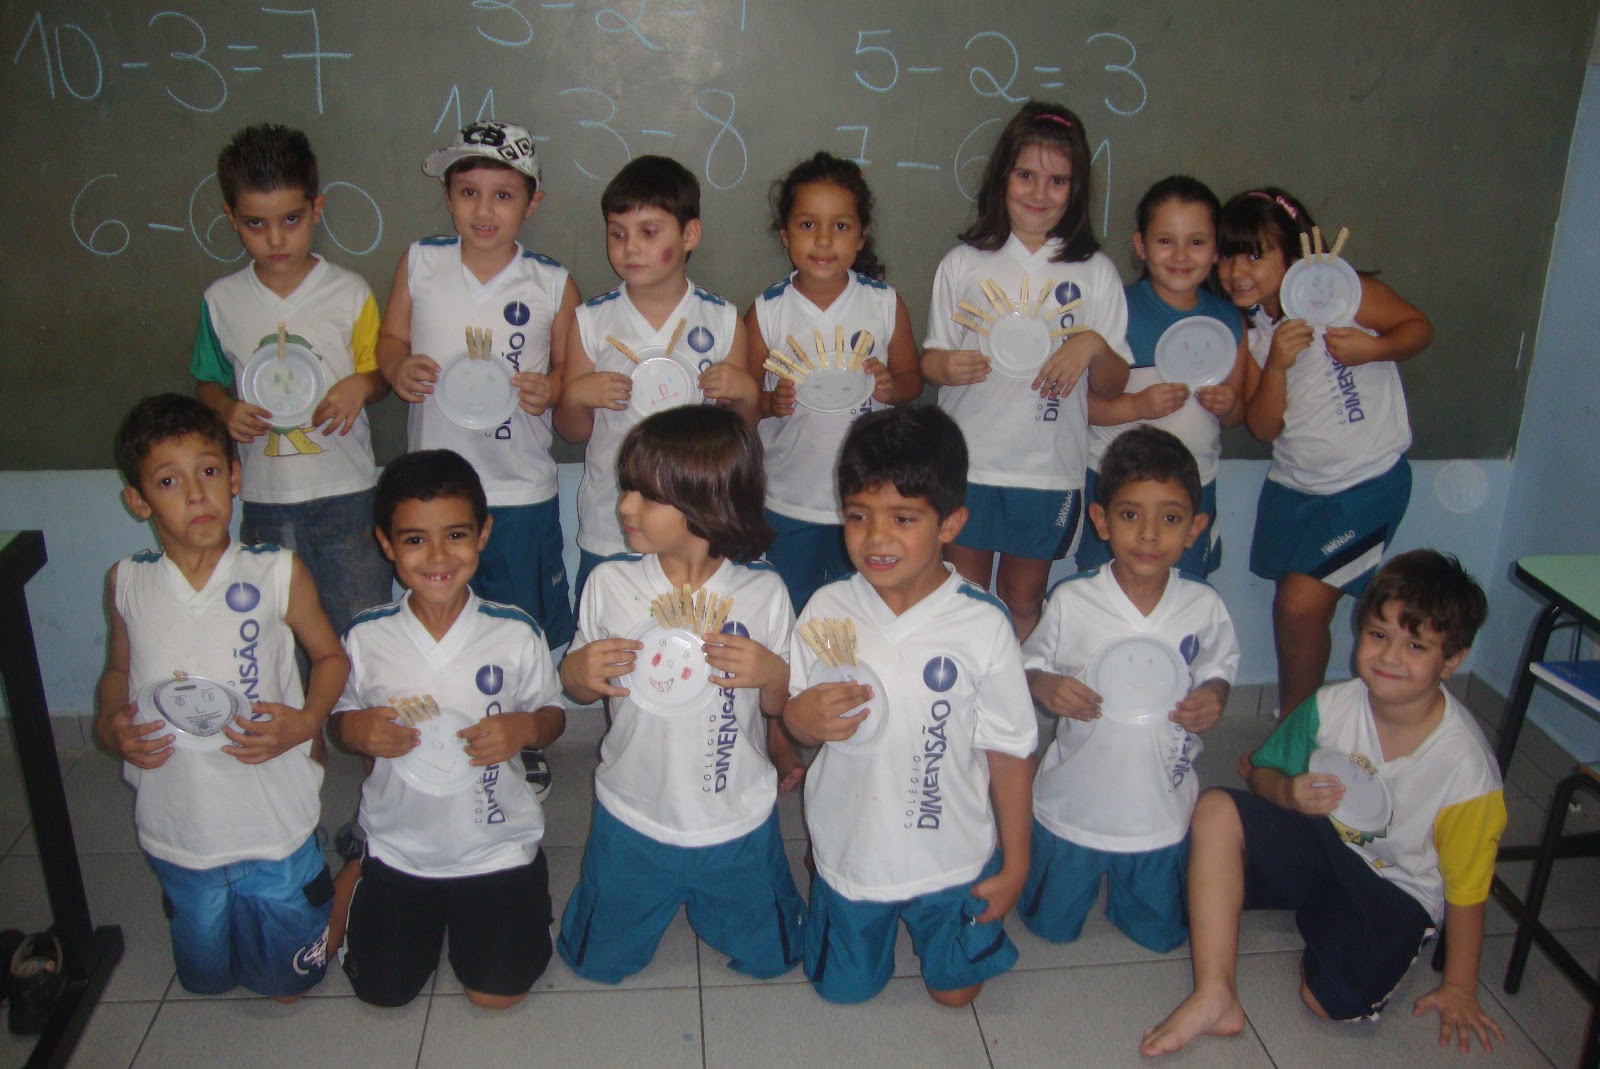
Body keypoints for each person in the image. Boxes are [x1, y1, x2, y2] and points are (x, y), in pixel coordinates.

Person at [1141, 550, 1505, 1057]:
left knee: (1328, 1002)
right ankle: (1215, 994)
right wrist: (1286, 792)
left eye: (1416, 645)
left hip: (1395, 887)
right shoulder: (1331, 705)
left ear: (1452, 660)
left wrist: (1461, 988)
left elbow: (1468, 892)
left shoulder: (1467, 770)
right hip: (1322, 840)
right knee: (1215, 809)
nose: (1390, 658)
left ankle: (1336, 923)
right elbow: (1263, 773)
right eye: (1379, 636)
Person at [96, 393, 348, 1000]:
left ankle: (351, 873)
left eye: (209, 471)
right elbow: (116, 671)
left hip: (272, 817)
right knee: (204, 981)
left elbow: (332, 658)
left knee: (287, 983)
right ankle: (207, 897)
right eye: (167, 480)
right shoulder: (127, 581)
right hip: (181, 822)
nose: (195, 494)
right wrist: (110, 726)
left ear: (235, 476)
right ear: (138, 500)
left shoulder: (276, 571)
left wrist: (308, 722)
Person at [783, 406, 1037, 1007]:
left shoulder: (981, 623)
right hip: (854, 850)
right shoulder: (825, 609)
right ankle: (833, 890)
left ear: (950, 523)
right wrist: (801, 720)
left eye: (903, 518)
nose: (876, 539)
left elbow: (1010, 749)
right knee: (844, 992)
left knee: (957, 995)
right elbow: (795, 715)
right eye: (857, 517)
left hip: (951, 854)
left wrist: (1017, 864)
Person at [556, 406, 804, 984]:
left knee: (776, 959)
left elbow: (780, 707)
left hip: (735, 814)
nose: (625, 506)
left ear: (706, 502)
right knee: (596, 964)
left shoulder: (761, 592)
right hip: (634, 811)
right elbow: (578, 687)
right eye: (626, 487)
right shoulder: (610, 584)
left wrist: (771, 673)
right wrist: (576, 670)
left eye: (646, 495)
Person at [377, 119, 580, 792]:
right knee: (439, 610)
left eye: (502, 195)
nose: (483, 210)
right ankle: (444, 721)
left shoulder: (551, 282)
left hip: (518, 487)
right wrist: (399, 369)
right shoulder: (421, 262)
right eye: (467, 192)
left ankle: (520, 730)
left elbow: (571, 382)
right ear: (448, 197)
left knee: (517, 621)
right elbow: (390, 342)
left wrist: (549, 389)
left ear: (532, 202)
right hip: (436, 488)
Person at [329, 449, 565, 1009]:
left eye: (455, 535)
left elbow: (552, 716)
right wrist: (356, 731)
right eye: (413, 540)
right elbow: (338, 723)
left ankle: (518, 892)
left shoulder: (513, 632)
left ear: (483, 534)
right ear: (385, 544)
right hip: (400, 845)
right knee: (383, 993)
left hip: (494, 844)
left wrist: (525, 728)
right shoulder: (368, 637)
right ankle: (358, 868)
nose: (437, 556)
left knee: (496, 996)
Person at [1018, 426, 1239, 953]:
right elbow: (1029, 663)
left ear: (1195, 528)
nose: (1147, 535)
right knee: (1048, 926)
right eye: (1129, 514)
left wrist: (1214, 695)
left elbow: (1220, 666)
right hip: (1076, 800)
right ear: (1101, 520)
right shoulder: (1073, 600)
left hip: (1159, 804)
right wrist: (1046, 685)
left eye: (1170, 518)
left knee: (1160, 933)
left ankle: (1143, 890)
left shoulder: (1203, 605)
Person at [921, 100, 1131, 642]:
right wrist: (946, 365)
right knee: (965, 599)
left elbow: (1113, 384)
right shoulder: (963, 263)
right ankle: (965, 716)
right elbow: (930, 359)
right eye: (1026, 175)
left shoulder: (1094, 273)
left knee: (1022, 598)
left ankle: (1010, 713)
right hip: (971, 464)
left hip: (1046, 469)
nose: (1039, 193)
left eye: (1057, 180)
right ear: (1002, 178)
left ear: (1077, 189)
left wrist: (1089, 345)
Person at [1219, 187, 1433, 719]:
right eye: (1227, 255)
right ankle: (1304, 726)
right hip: (1295, 484)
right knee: (1293, 612)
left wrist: (1374, 347)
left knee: (1298, 607)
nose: (1237, 271)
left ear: (1292, 254)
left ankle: (1298, 734)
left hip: (1366, 481)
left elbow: (1418, 328)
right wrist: (1276, 367)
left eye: (1255, 254)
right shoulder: (1249, 328)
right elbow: (1264, 427)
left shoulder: (1345, 290)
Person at [191, 123, 392, 638]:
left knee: (360, 629)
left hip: (349, 494)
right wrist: (224, 409)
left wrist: (361, 386)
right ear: (231, 218)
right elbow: (207, 383)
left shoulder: (349, 292)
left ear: (316, 210)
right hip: (265, 498)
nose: (276, 239)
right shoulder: (221, 301)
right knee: (282, 635)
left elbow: (380, 375)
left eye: (291, 220)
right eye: (256, 224)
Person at [555, 155, 756, 604]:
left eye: (649, 232)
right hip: (614, 524)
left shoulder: (721, 321)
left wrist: (746, 393)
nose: (630, 248)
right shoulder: (591, 321)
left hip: (699, 525)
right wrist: (576, 396)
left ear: (689, 235)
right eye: (617, 233)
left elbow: (740, 435)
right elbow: (572, 432)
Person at [749, 150, 922, 610]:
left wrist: (891, 386)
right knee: (791, 608)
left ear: (861, 237)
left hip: (871, 501)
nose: (823, 240)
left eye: (841, 226)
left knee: (863, 608)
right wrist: (771, 403)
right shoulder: (768, 311)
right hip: (791, 499)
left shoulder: (884, 304)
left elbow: (912, 380)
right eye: (808, 225)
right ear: (785, 235)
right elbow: (743, 405)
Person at [1079, 176, 1251, 579]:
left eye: (1196, 241)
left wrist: (1228, 405)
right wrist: (1137, 407)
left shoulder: (1228, 319)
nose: (1181, 255)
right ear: (1141, 246)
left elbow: (1237, 410)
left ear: (1215, 250)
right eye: (1165, 241)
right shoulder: (1116, 311)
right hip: (1114, 482)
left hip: (1192, 486)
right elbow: (1080, 405)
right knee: (1102, 594)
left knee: (1185, 590)